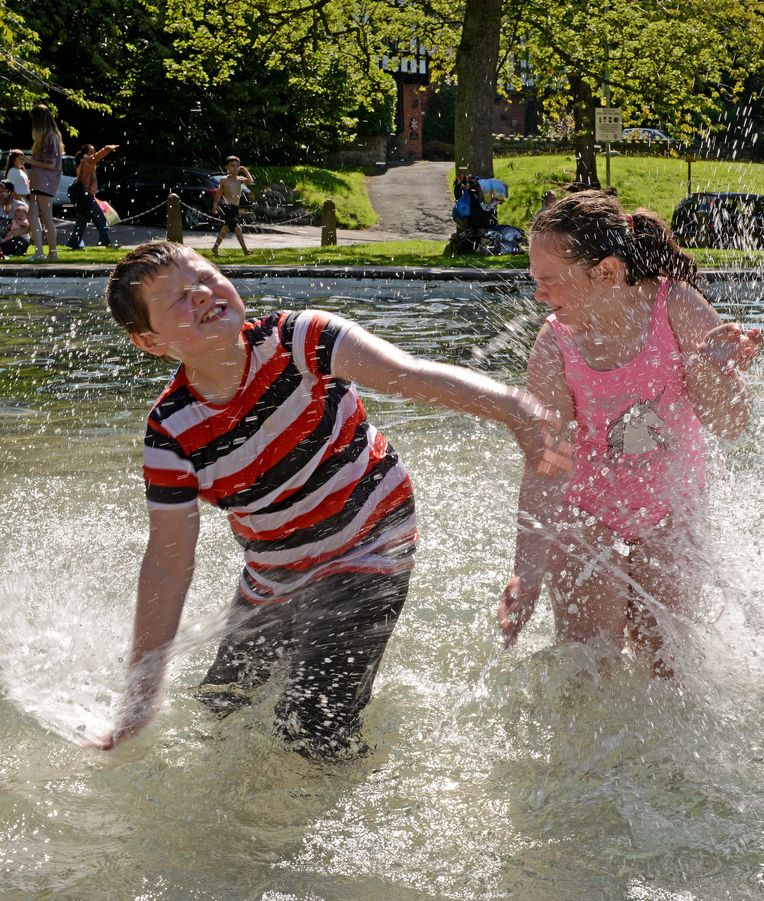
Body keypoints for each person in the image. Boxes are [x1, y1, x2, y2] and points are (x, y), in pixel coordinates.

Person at [96, 241, 571, 758]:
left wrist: (513, 408)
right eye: (177, 299)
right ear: (151, 341)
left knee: (313, 731)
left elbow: (407, 375)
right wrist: (140, 694)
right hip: (275, 572)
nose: (203, 295)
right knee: (222, 711)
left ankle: (346, 801)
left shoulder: (299, 339)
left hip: (369, 541)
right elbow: (168, 564)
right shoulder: (172, 433)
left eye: (205, 276)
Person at [497, 190, 763, 674]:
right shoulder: (554, 345)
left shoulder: (675, 307)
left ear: (607, 272)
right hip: (586, 509)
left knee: (666, 667)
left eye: (550, 281)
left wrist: (709, 369)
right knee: (587, 664)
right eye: (536, 281)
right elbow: (546, 463)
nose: (538, 295)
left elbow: (732, 425)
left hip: (670, 508)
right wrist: (526, 572)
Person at [27, 104, 65, 261]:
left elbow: (51, 165)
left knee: (47, 218)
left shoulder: (50, 137)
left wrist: (30, 160)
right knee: (32, 216)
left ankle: (52, 253)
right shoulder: (48, 136)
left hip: (46, 183)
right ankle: (39, 252)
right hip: (39, 182)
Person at [66, 143, 120, 250]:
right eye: (91, 152)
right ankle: (106, 243)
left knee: (81, 222)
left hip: (82, 197)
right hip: (87, 197)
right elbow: (98, 156)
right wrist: (107, 149)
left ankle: (74, 243)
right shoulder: (88, 161)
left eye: (93, 151)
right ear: (85, 154)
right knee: (102, 220)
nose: (93, 154)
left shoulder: (82, 163)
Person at [211, 155, 254, 255]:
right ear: (227, 167)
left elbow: (251, 181)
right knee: (237, 228)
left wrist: (245, 170)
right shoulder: (224, 179)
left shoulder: (240, 179)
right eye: (232, 165)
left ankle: (215, 248)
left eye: (237, 165)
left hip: (235, 207)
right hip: (227, 207)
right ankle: (245, 250)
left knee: (225, 229)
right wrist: (214, 205)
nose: (235, 168)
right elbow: (219, 192)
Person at [0, 181, 31, 258]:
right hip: (3, 239)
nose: (0, 194)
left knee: (11, 244)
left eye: (4, 192)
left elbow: (33, 226)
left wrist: (13, 234)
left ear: (12, 193)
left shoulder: (21, 206)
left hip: (18, 239)